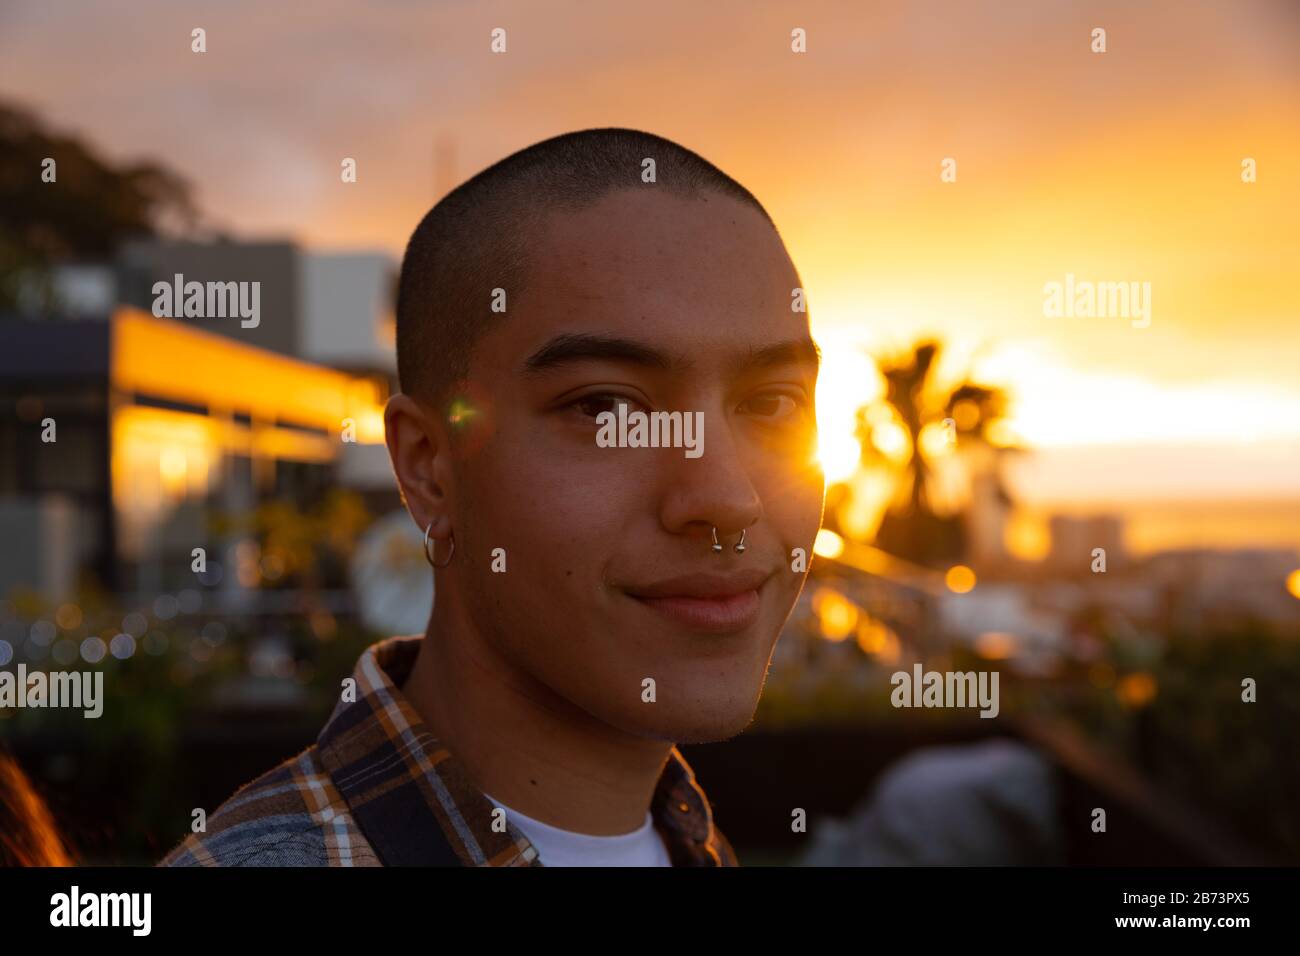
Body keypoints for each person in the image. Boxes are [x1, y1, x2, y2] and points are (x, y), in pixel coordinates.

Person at [161, 128, 824, 867]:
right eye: (606, 409)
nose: (728, 499)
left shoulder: (689, 844)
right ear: (428, 468)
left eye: (771, 403)